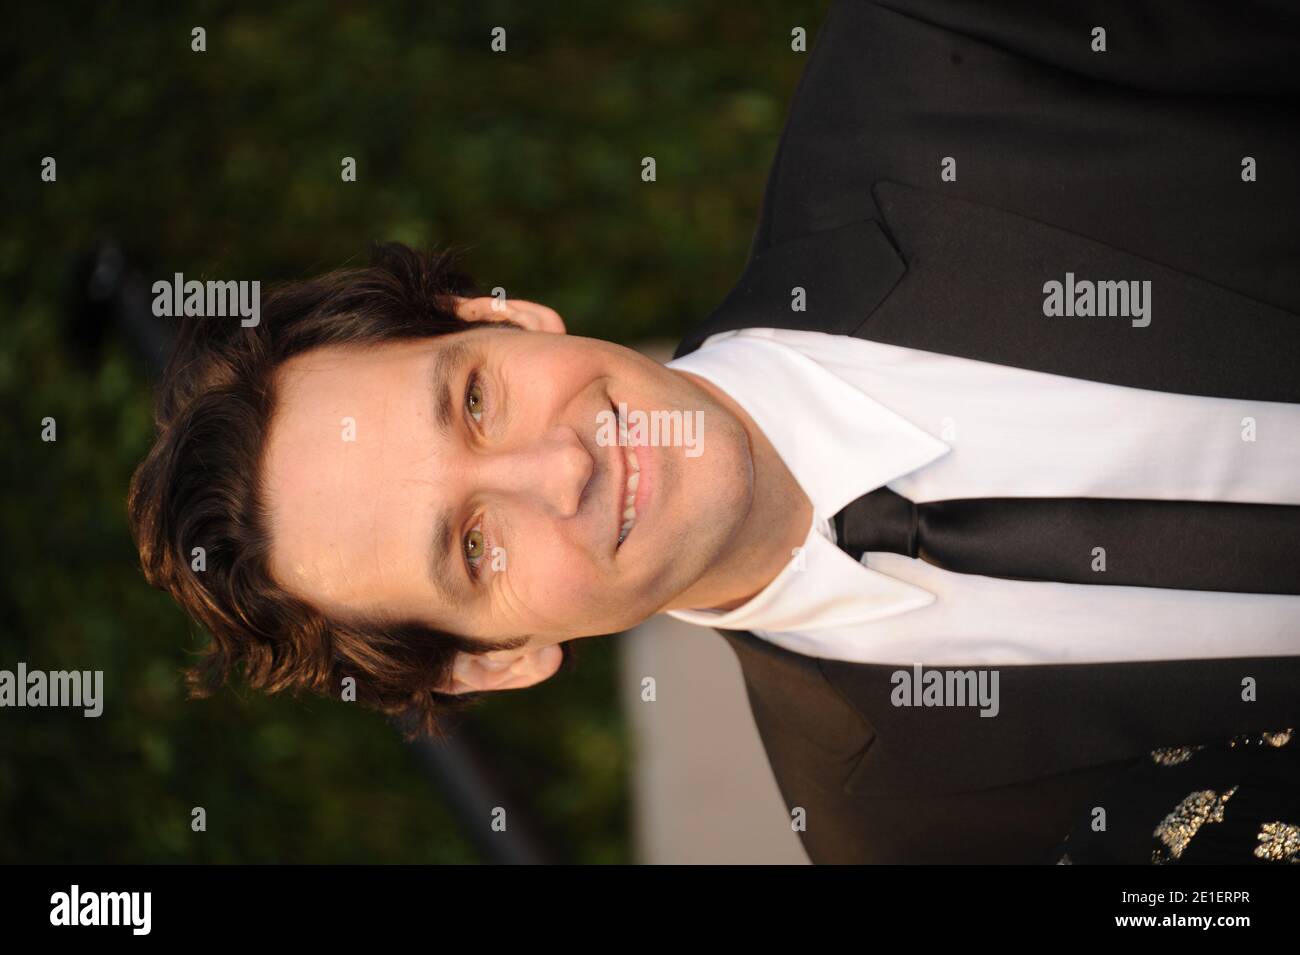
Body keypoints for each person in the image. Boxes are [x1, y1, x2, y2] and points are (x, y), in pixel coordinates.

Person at [128, 0, 1300, 862]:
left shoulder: (942, 52)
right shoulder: (913, 843)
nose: (559, 464)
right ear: (498, 658)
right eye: (472, 546)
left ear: (498, 316)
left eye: (474, 398)